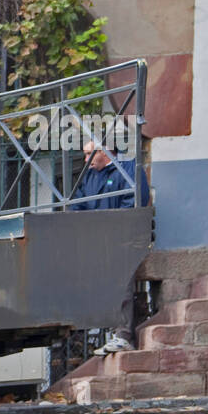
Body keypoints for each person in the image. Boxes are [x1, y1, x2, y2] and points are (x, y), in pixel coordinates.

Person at [69, 139, 152, 354]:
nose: (85, 160)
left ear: (105, 152)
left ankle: (123, 336)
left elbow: (134, 202)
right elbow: (77, 207)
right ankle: (115, 334)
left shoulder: (129, 169)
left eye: (89, 154)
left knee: (118, 278)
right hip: (99, 240)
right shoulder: (89, 177)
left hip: (126, 237)